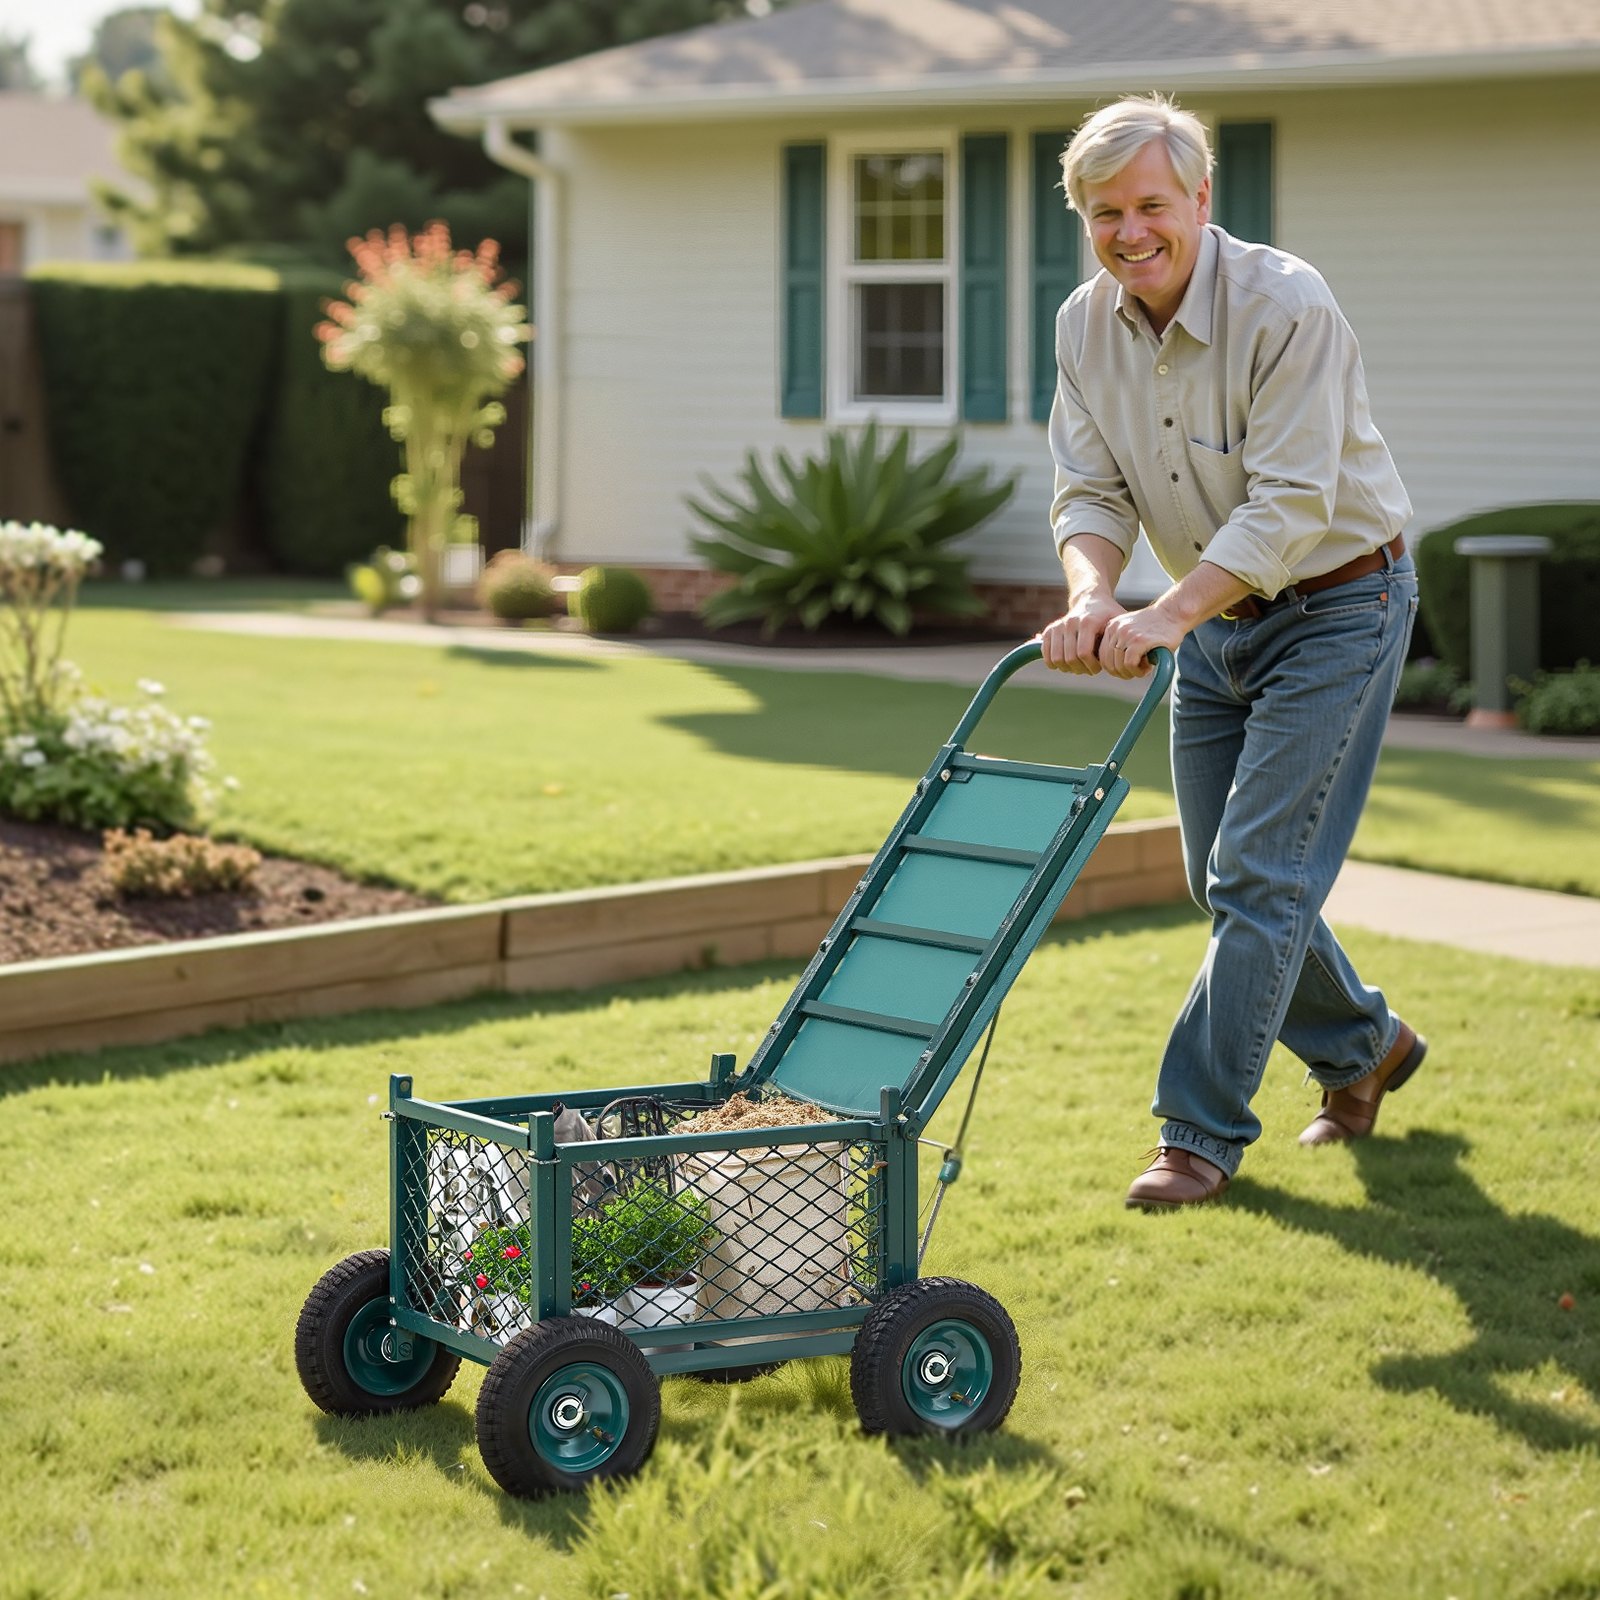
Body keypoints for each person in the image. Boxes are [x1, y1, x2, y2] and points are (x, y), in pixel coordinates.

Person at [1038, 93, 1425, 1210]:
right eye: (1105, 213)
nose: (1130, 232)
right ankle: (1367, 1048)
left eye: (1150, 205)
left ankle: (1196, 1133)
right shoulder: (1082, 326)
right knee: (1225, 875)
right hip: (1210, 623)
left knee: (1258, 876)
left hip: (1338, 605)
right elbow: (1089, 488)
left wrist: (1164, 614)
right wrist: (1094, 593)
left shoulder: (1286, 305)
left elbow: (1292, 502)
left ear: (1200, 198)